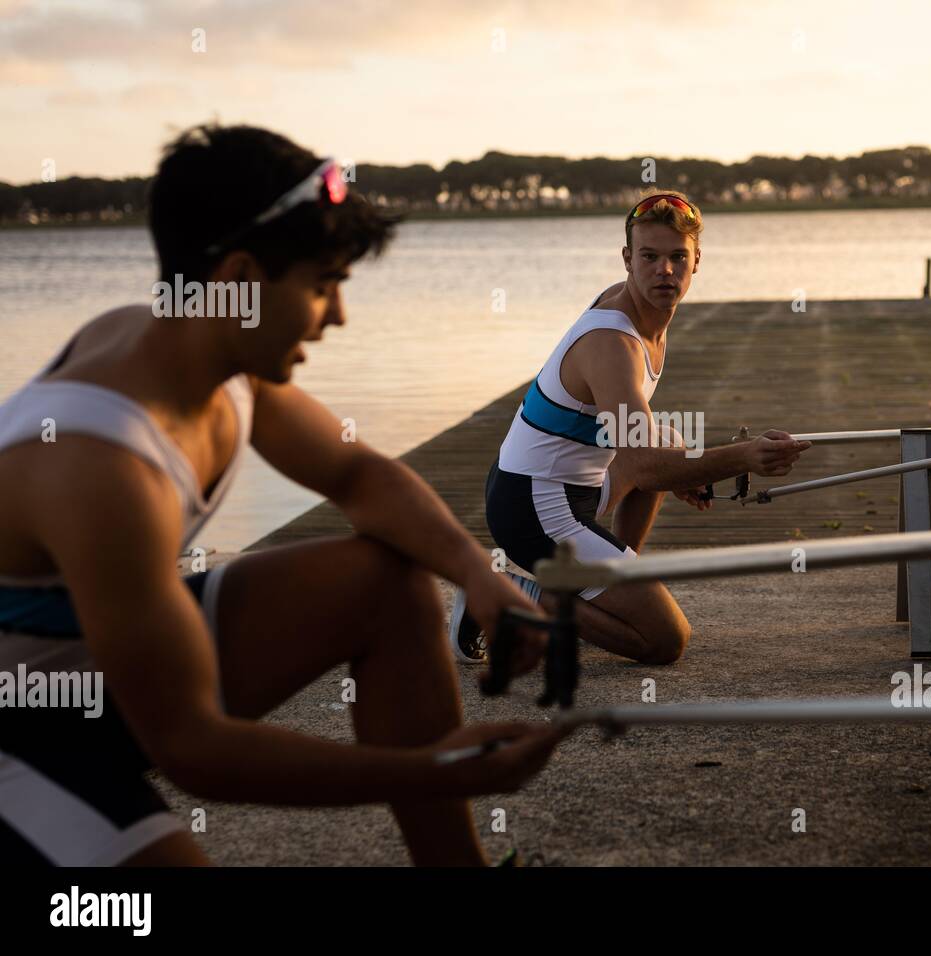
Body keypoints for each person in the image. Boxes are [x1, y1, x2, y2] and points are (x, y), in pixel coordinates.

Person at [0, 124, 562, 867]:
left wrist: (477, 574)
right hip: (21, 730)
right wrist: (440, 766)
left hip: (88, 668)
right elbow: (194, 750)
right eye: (324, 284)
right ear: (237, 276)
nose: (338, 316)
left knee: (390, 585)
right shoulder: (101, 470)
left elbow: (361, 478)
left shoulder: (210, 356)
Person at [451, 191, 811, 665]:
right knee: (666, 641)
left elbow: (641, 446)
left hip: (573, 485)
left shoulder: (645, 314)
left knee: (670, 439)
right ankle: (504, 592)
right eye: (649, 257)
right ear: (628, 259)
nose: (664, 270)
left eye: (677, 257)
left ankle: (609, 584)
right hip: (534, 504)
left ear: (696, 260)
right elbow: (643, 463)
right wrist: (742, 457)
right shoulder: (611, 341)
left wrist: (687, 460)